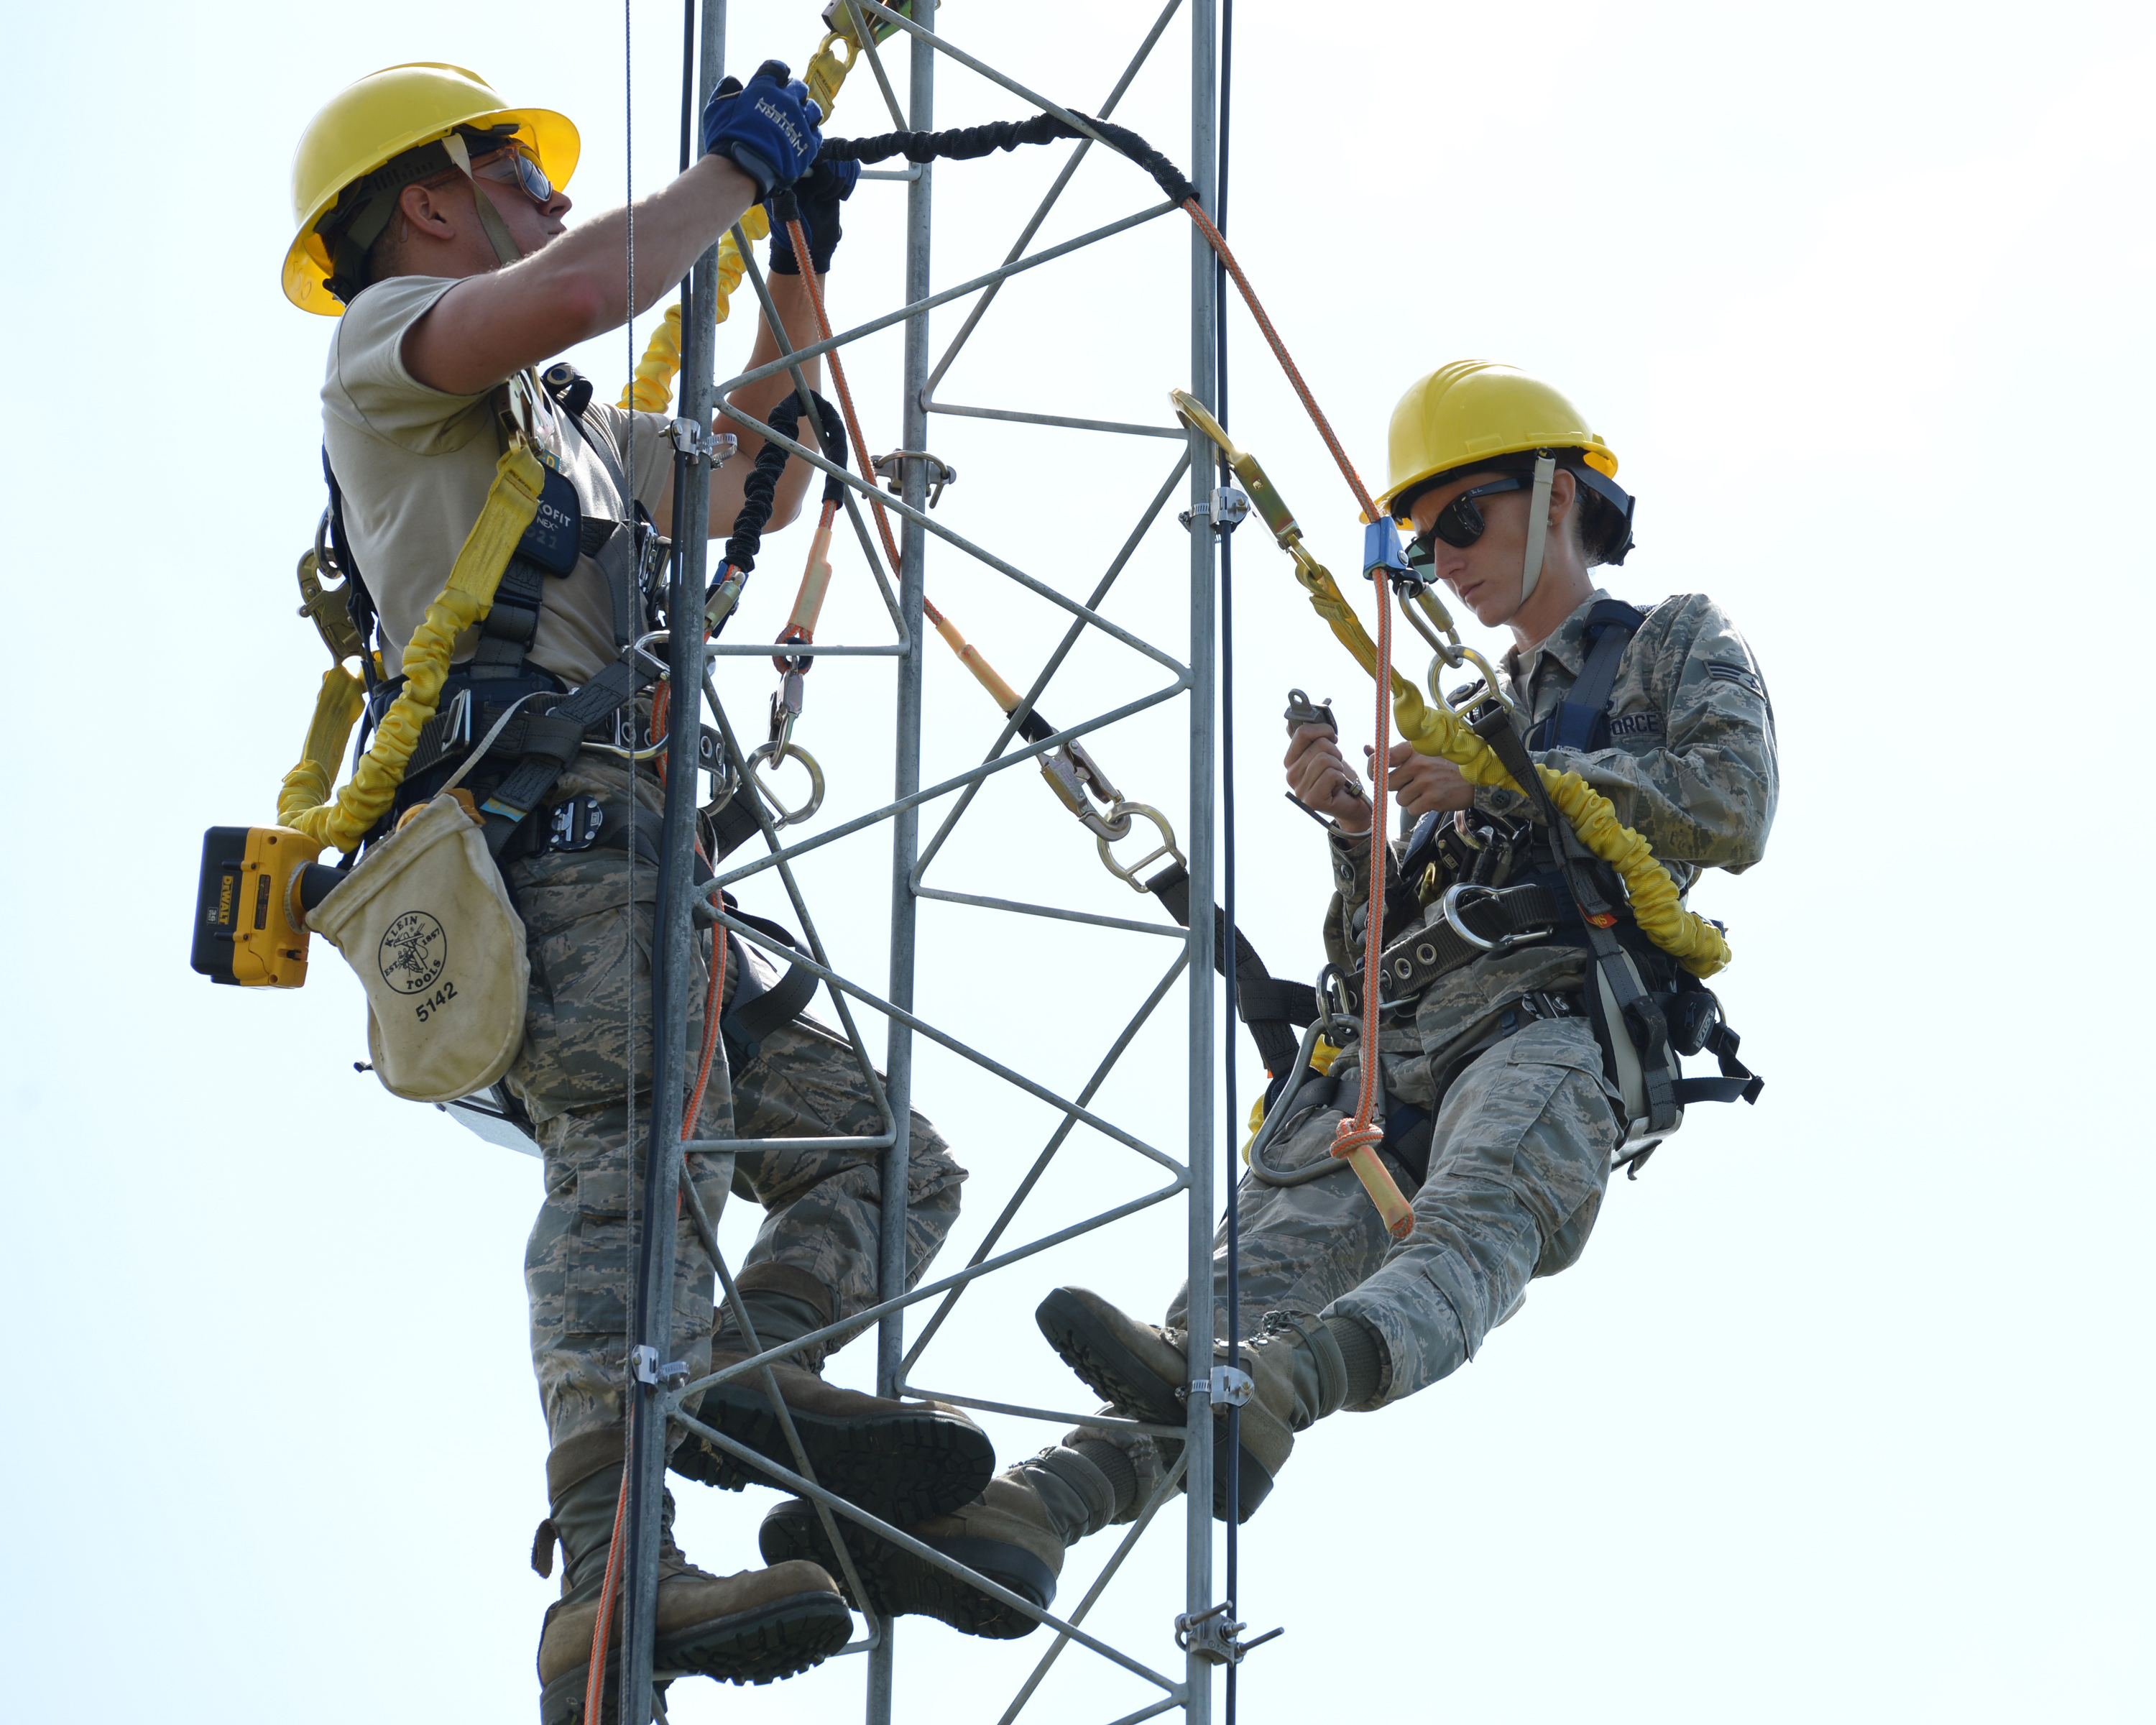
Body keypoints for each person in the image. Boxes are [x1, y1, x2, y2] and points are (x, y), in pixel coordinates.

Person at [757, 360, 1778, 1632]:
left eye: (1465, 520)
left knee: (1463, 1239)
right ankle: (1028, 1515)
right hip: (1386, 1055)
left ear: (1559, 494)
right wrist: (1355, 833)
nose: (1445, 559)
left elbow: (1732, 804)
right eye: (1425, 541)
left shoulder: (1665, 641)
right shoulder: (1472, 713)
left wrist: (1505, 785)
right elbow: (1379, 936)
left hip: (1547, 1025)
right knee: (1209, 1331)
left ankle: (1279, 1391)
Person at [282, 60, 990, 1719]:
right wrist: (728, 178)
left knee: (884, 1160)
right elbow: (585, 284)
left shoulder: (569, 437)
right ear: (430, 199)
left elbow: (754, 476)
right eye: (518, 173)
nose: (548, 194)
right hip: (550, 862)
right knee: (635, 1162)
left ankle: (752, 1376)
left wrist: (795, 263)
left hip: (654, 871)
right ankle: (610, 1588)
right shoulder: (386, 349)